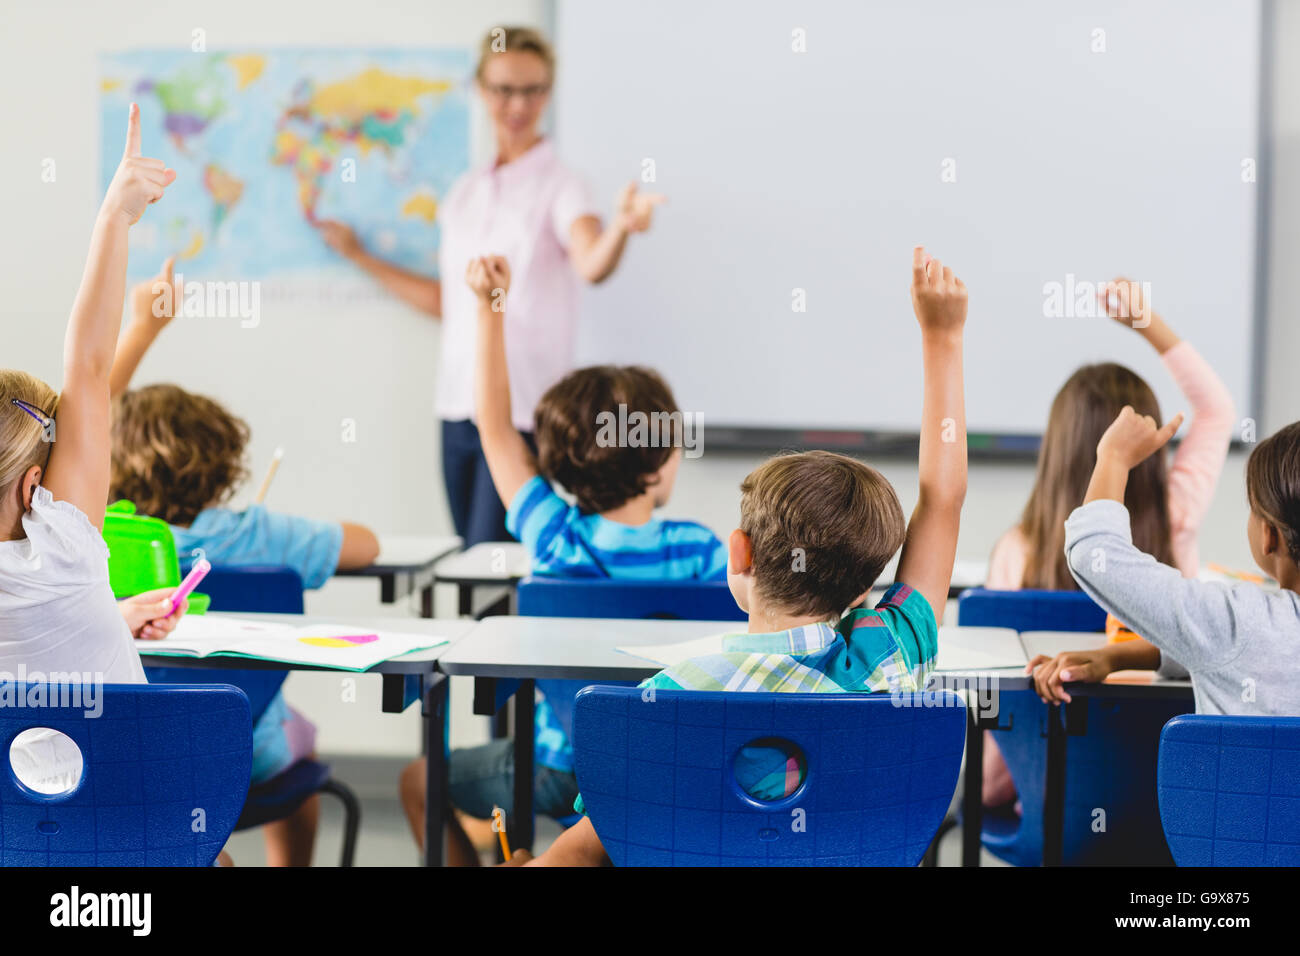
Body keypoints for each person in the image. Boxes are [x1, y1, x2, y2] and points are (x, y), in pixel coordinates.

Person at [523, 246, 969, 865]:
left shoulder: (667, 701)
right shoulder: (887, 658)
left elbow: (580, 854)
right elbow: (943, 501)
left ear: (740, 553)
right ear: (863, 591)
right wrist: (942, 339)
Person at [316, 26, 664, 547]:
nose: (518, 103)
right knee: (468, 562)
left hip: (524, 410)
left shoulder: (562, 184)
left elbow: (591, 263)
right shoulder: (465, 192)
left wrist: (619, 228)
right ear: (481, 90)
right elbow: (447, 302)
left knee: (495, 568)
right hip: (457, 406)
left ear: (549, 93)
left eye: (533, 90)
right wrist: (357, 256)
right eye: (504, 89)